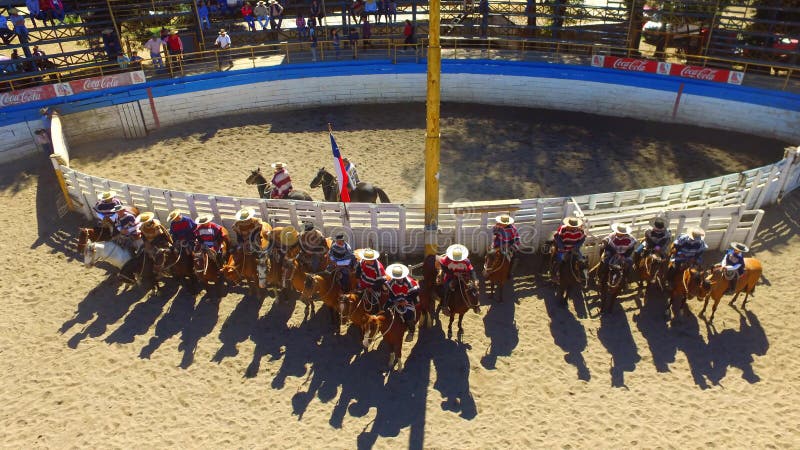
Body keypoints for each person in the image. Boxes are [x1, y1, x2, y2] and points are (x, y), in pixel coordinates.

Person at [437, 244, 479, 315]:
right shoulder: (447, 259)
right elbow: (443, 266)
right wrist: (453, 273)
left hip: (463, 278)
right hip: (450, 277)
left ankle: (475, 304)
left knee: (473, 289)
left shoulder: (466, 261)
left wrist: (475, 280)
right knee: (448, 288)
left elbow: (472, 270)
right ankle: (445, 305)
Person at [384, 263, 420, 334]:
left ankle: (411, 331)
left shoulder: (409, 283)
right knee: (384, 308)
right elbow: (391, 293)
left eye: (398, 277)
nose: (397, 278)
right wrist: (395, 301)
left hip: (407, 301)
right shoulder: (391, 282)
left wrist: (405, 301)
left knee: (409, 315)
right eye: (395, 277)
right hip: (395, 299)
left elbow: (414, 294)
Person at [551, 216, 586, 283]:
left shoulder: (580, 231)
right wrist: (561, 246)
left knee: (581, 260)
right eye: (571, 226)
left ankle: (581, 276)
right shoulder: (563, 229)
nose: (572, 228)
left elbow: (582, 239)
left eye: (574, 227)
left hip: (574, 249)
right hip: (563, 248)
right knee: (559, 260)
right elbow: (556, 236)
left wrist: (576, 247)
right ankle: (554, 274)